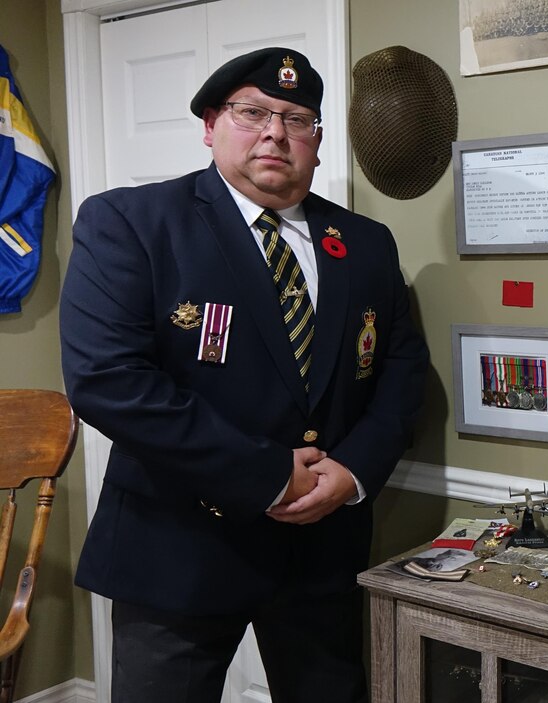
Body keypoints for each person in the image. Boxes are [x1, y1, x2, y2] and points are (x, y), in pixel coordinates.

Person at [59, 47, 428, 703]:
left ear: (317, 140)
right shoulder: (131, 223)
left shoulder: (367, 243)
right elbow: (109, 382)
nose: (274, 133)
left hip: (321, 547)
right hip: (179, 547)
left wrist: (352, 473)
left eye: (296, 118)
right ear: (209, 125)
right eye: (252, 112)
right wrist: (267, 473)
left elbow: (401, 375)